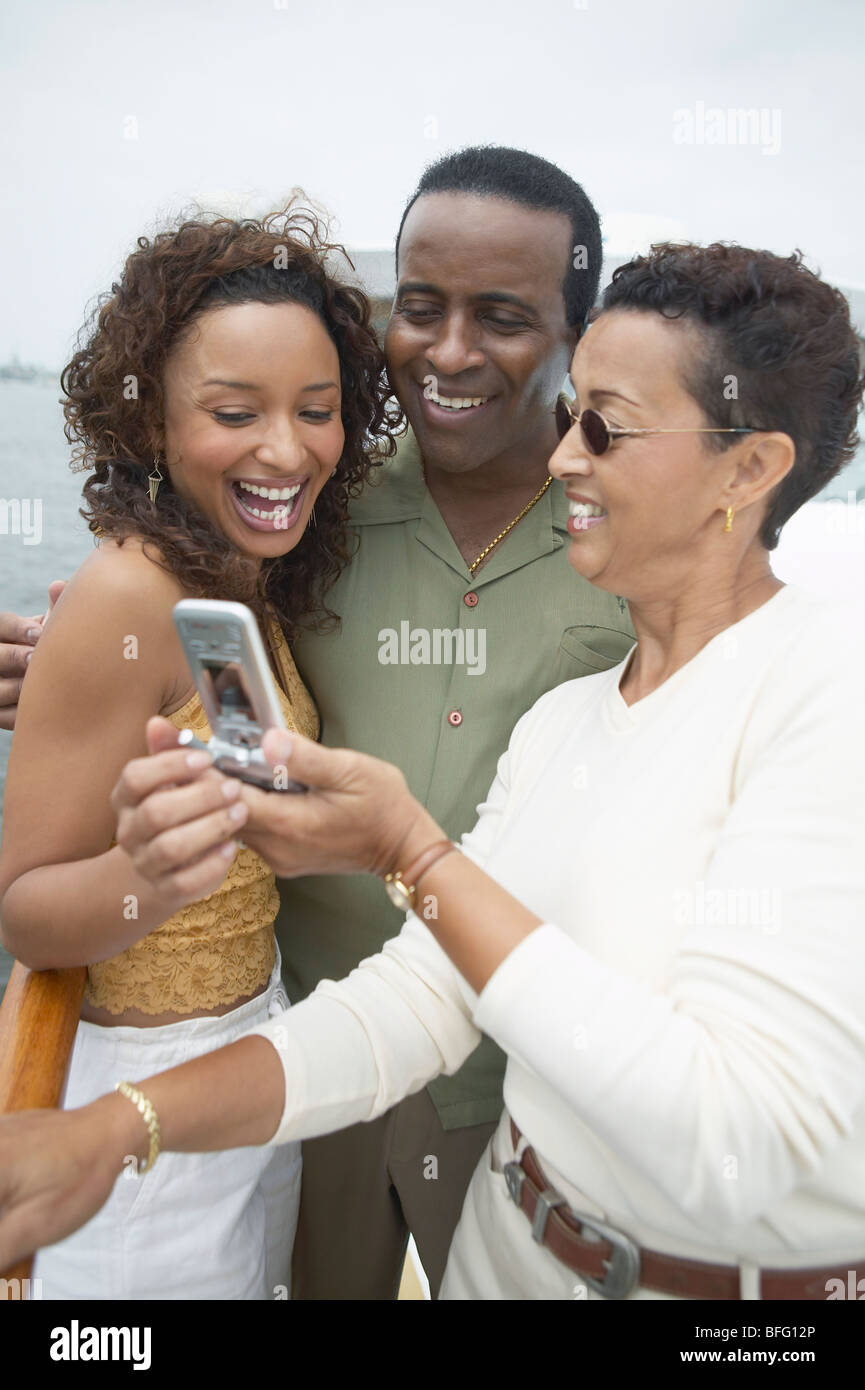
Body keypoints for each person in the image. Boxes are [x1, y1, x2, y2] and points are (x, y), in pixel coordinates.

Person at [2, 240, 863, 1301]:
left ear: (749, 470)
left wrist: (408, 850)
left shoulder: (833, 687)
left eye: (605, 427)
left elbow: (739, 1139)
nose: (560, 461)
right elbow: (420, 1001)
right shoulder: (563, 720)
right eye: (566, 418)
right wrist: (115, 1128)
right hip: (498, 1259)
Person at [0, 147, 636, 1299]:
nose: (448, 351)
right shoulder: (308, 516)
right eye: (422, 307)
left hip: (516, 1077)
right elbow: (156, 673)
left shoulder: (627, 537)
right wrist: (72, 676)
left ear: (574, 336)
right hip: (295, 1060)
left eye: (499, 315)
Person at [0, 203, 397, 1298]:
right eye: (235, 412)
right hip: (130, 1093)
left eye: (317, 411)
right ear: (153, 427)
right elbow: (24, 906)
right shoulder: (129, 588)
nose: (286, 448)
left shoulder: (239, 573)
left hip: (246, 1053)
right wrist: (147, 878)